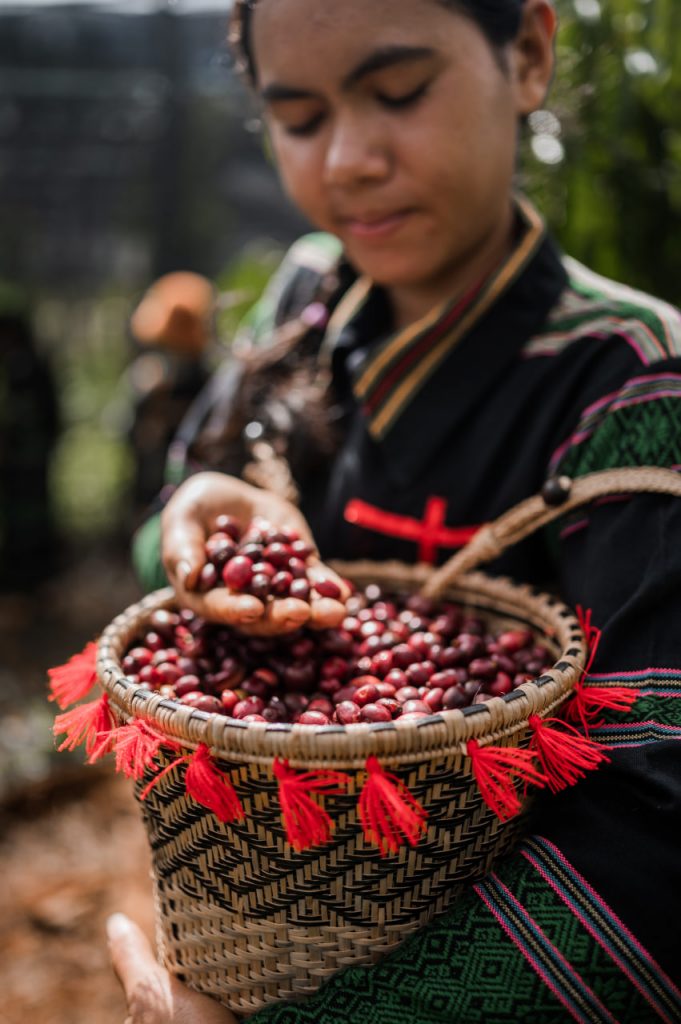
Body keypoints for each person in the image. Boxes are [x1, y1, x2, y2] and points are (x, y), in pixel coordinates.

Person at [109, 0, 681, 1020]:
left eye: (400, 93)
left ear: (531, 54)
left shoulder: (634, 380)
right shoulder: (303, 304)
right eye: (296, 116)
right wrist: (198, 514)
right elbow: (162, 541)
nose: (346, 161)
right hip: (257, 922)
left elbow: (657, 835)